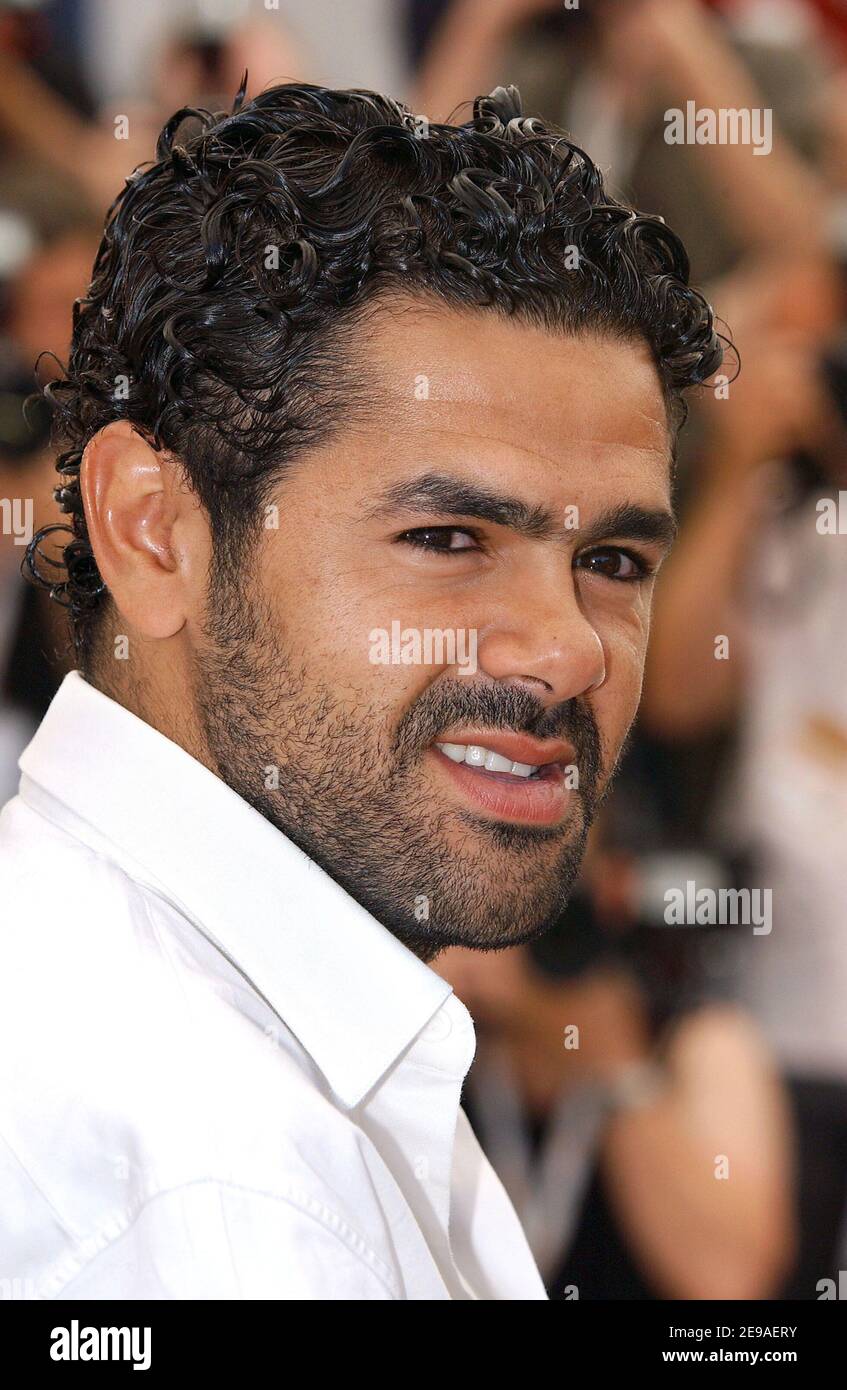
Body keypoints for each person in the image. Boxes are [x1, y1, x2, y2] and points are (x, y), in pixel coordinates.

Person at [0, 79, 722, 1300]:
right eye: (447, 538)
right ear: (152, 531)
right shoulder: (216, 1192)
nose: (567, 650)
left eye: (610, 561)